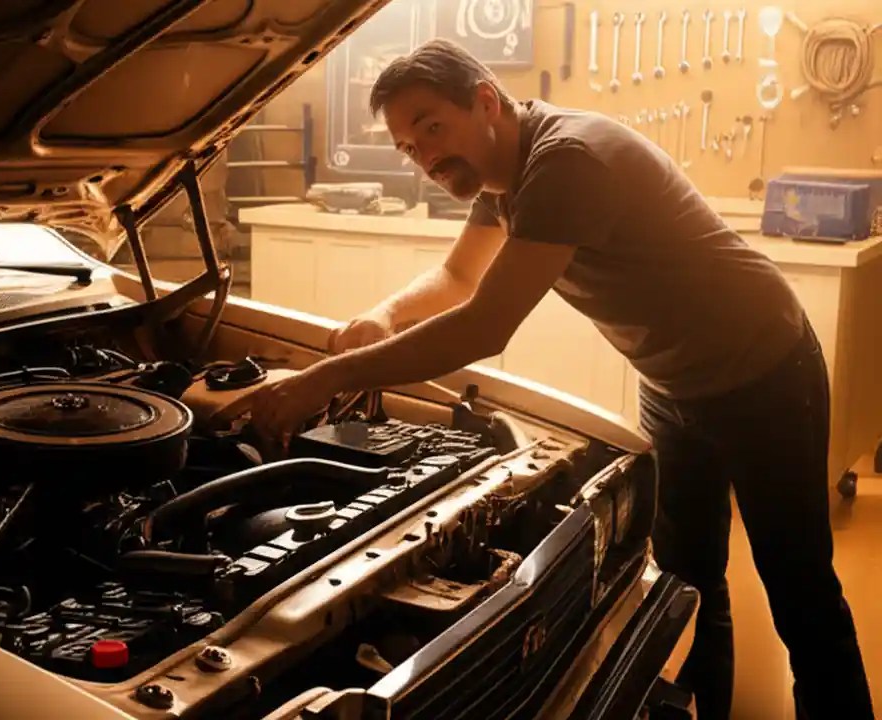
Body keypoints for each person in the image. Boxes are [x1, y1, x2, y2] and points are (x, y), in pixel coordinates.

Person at [247, 38, 872, 719]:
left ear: (485, 101)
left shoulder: (565, 160)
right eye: (407, 146)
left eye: (431, 126)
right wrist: (382, 316)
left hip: (764, 371)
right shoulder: (500, 171)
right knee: (688, 584)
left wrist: (321, 379)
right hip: (672, 385)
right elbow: (460, 276)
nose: (424, 157)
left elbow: (486, 325)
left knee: (798, 589)